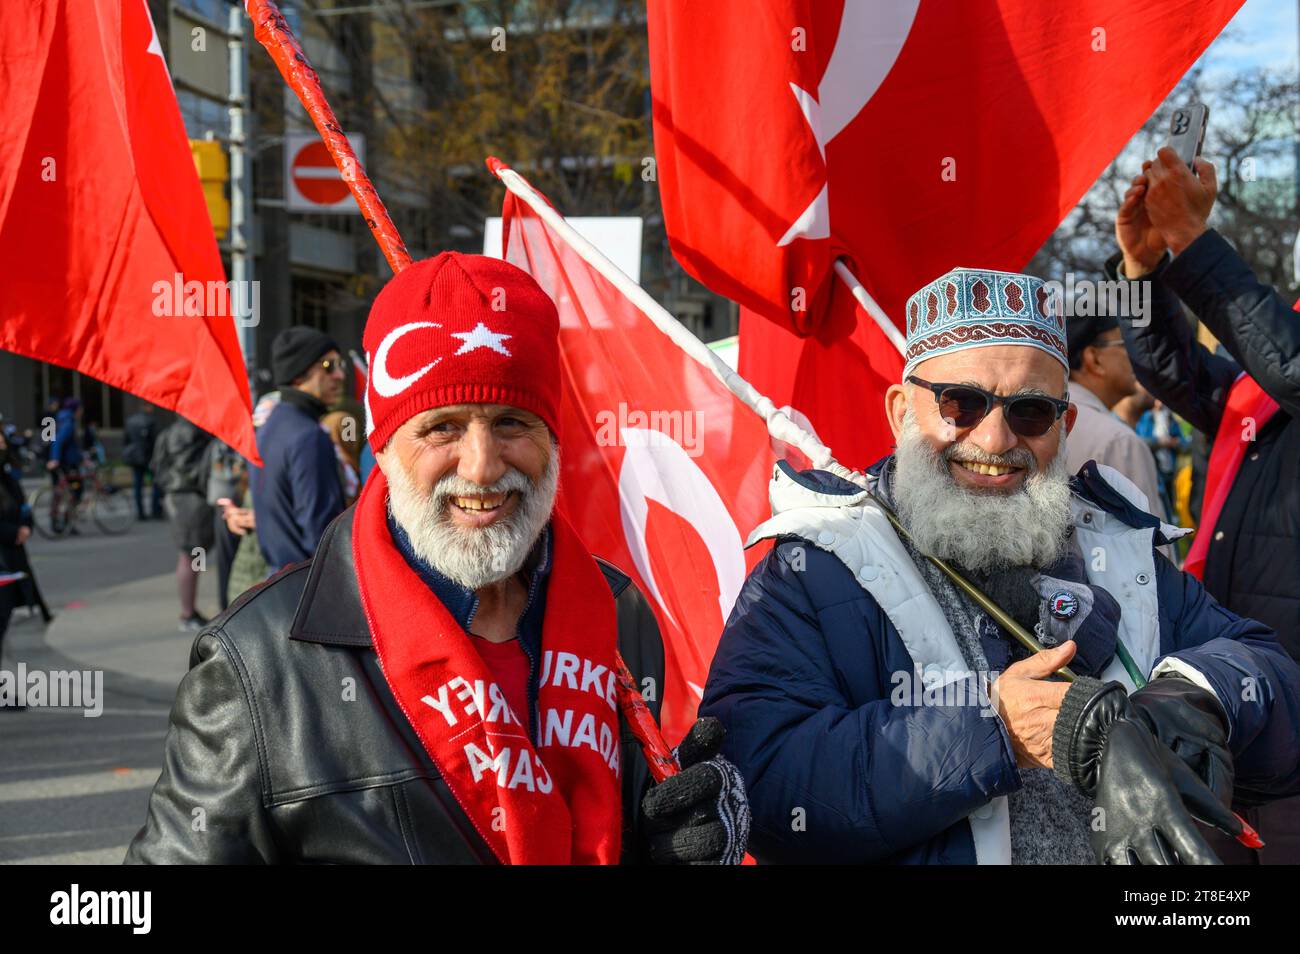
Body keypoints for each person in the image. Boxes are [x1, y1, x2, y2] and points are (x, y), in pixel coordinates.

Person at [126, 252, 749, 864]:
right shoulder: (259, 657)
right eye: (442, 427)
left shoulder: (620, 616)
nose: (481, 465)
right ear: (387, 446)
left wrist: (668, 846)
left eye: (511, 422)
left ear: (553, 440)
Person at [701, 266, 1300, 865]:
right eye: (961, 404)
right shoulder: (818, 563)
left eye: (1031, 411)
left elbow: (1273, 682)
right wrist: (995, 730)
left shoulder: (1115, 547)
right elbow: (756, 784)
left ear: (1065, 427)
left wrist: (1177, 704)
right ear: (900, 412)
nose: (993, 441)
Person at [1110, 145, 1300, 861]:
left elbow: (1288, 360)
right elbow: (1172, 369)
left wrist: (1192, 239)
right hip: (1237, 694)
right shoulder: (1266, 387)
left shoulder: (1284, 365)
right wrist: (1140, 269)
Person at [249, 327, 346, 574]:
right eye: (328, 365)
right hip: (309, 583)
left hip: (280, 580)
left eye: (340, 364)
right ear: (299, 375)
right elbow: (321, 534)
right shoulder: (309, 436)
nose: (339, 374)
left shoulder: (270, 426)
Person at [1063, 314, 1165, 520]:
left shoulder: (1039, 422)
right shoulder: (1119, 442)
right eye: (1124, 345)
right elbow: (1152, 544)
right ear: (1094, 358)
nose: (1134, 358)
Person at [152, 417, 214, 631]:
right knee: (191, 555)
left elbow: (158, 467)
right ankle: (188, 613)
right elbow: (203, 468)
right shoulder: (199, 432)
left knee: (189, 554)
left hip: (175, 496)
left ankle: (189, 610)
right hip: (193, 498)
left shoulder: (169, 431)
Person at [0, 428, 36, 669]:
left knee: (4, 620)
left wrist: (25, 526)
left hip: (10, 558)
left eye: (2, 441)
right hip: (4, 554)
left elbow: (23, 507)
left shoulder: (8, 476)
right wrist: (14, 532)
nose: (2, 446)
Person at [1136, 400, 1189, 520]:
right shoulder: (1145, 417)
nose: (1160, 403)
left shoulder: (1170, 417)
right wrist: (1159, 442)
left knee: (1170, 500)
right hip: (1154, 467)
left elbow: (1183, 442)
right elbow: (1141, 440)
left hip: (1169, 467)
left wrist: (1175, 443)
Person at [122, 403, 163, 521]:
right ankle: (155, 510)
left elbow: (126, 440)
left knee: (138, 485)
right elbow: (155, 442)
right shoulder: (151, 422)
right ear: (147, 407)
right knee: (155, 484)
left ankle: (140, 512)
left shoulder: (130, 421)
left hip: (135, 458)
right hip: (148, 457)